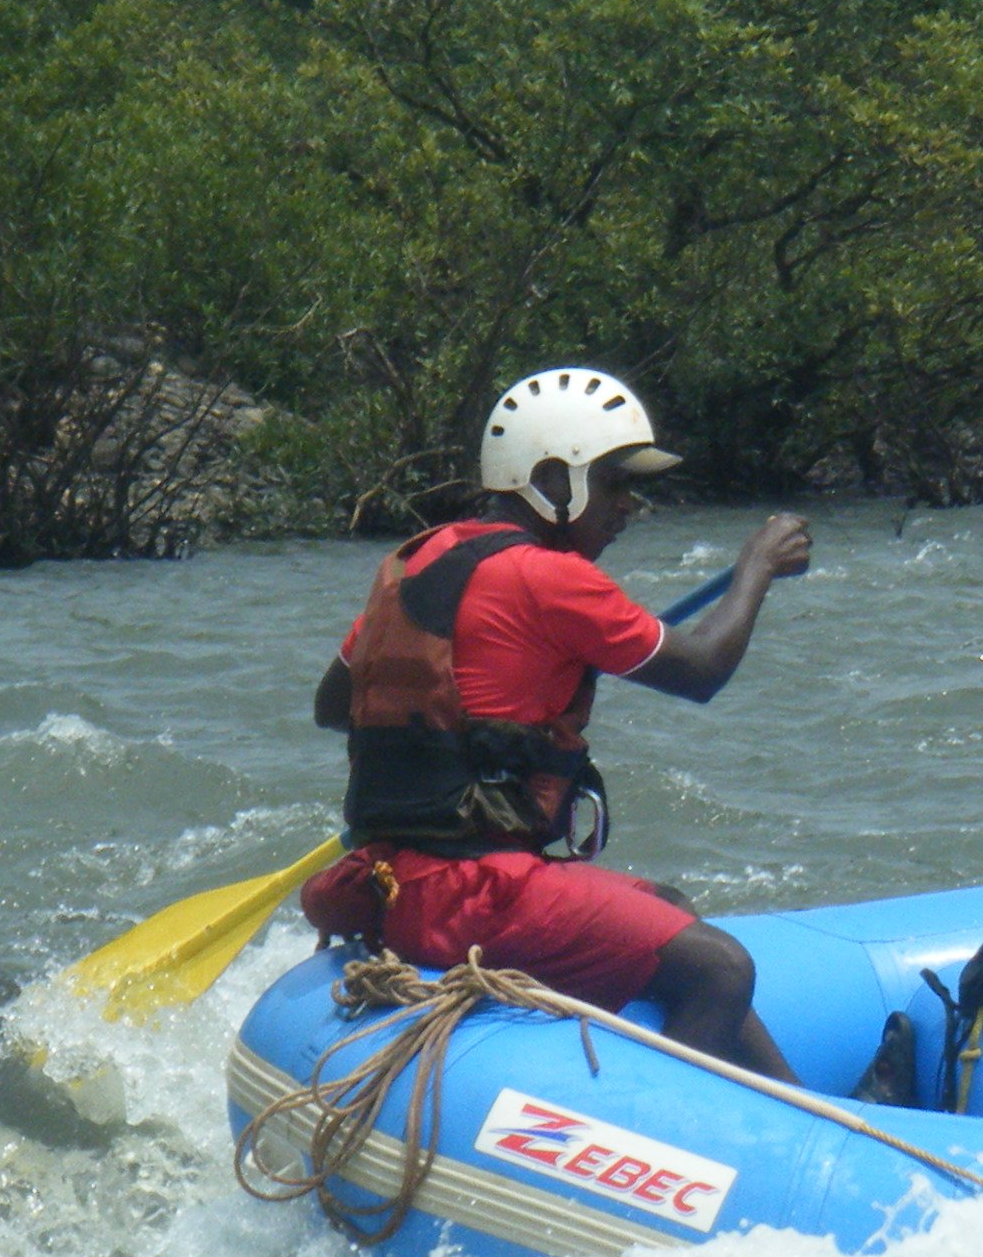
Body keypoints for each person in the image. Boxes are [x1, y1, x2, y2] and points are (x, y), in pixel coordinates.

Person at [306, 367, 813, 1076]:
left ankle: (807, 1109)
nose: (629, 506)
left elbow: (335, 705)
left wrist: (506, 697)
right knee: (721, 969)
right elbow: (701, 670)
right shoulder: (552, 576)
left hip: (396, 878)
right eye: (615, 483)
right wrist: (756, 567)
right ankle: (653, 1144)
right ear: (553, 480)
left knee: (671, 908)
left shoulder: (415, 560)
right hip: (469, 892)